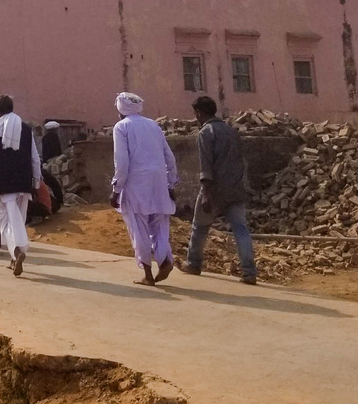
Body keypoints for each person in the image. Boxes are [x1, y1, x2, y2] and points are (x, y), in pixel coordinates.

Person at [181, 96, 258, 284]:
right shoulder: (231, 131)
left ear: (199, 112)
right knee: (240, 229)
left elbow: (206, 166)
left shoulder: (205, 133)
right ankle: (249, 272)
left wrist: (206, 194)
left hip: (214, 189)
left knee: (200, 226)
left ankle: (193, 264)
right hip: (235, 188)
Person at [110, 92, 179, 286]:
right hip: (159, 182)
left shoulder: (121, 127)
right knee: (160, 225)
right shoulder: (153, 125)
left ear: (120, 109)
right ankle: (165, 260)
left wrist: (116, 189)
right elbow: (169, 157)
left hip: (135, 183)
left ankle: (148, 274)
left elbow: (122, 162)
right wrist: (171, 183)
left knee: (138, 227)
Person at [0, 95, 41, 276]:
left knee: (6, 222)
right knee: (18, 220)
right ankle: (15, 256)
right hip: (24, 182)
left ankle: (17, 252)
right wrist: (36, 182)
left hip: (4, 183)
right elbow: (34, 159)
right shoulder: (26, 129)